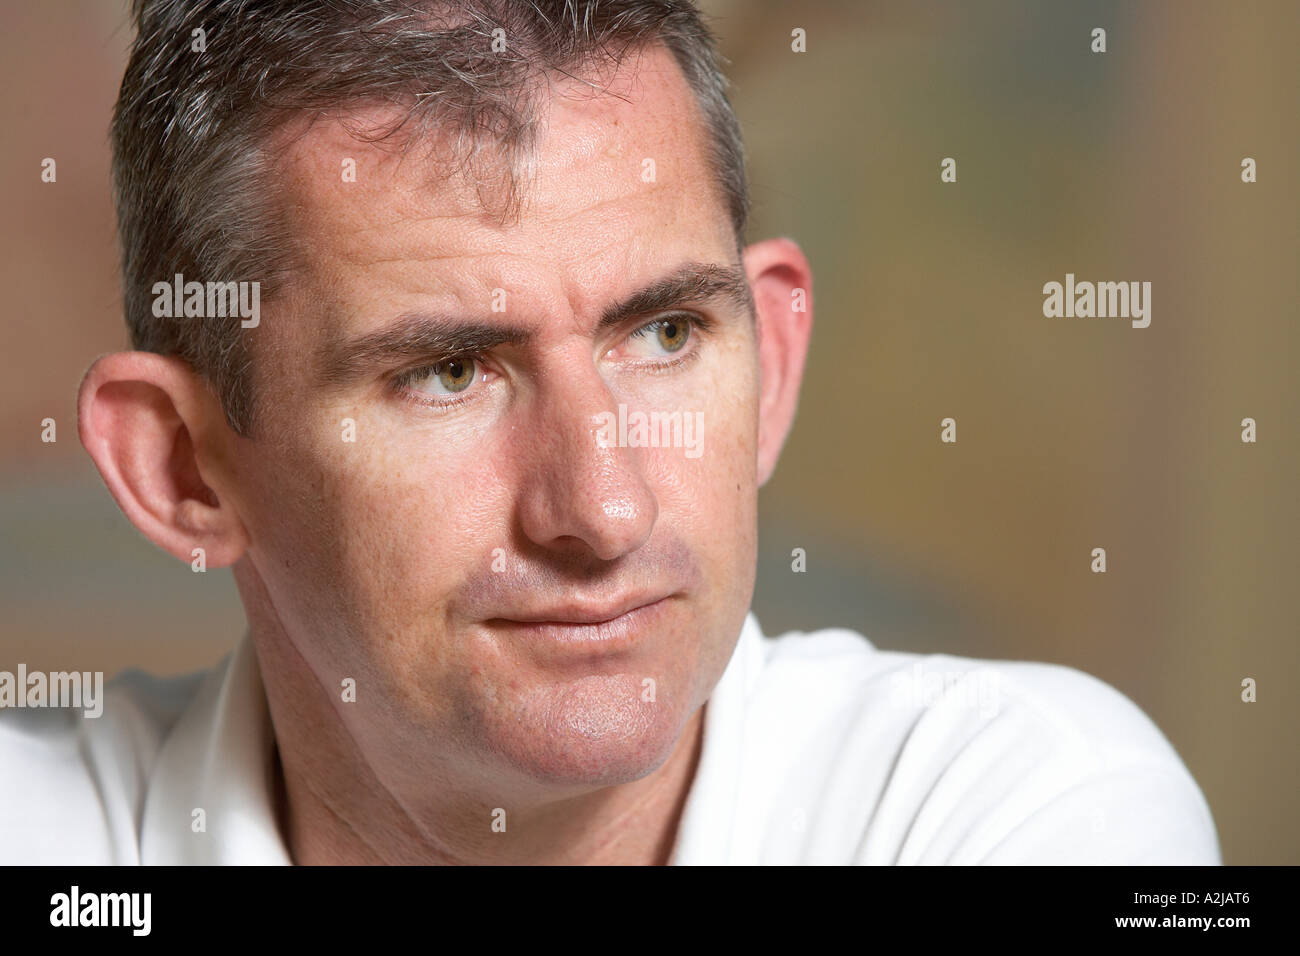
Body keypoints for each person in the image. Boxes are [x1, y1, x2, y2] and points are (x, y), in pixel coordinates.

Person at [1, 0, 1219, 865]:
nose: (604, 507)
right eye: (450, 370)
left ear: (774, 359)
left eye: (666, 335)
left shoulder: (1015, 808)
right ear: (180, 467)